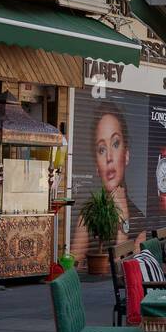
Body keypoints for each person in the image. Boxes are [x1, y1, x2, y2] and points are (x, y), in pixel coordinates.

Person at [71, 101, 144, 260]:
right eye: (102, 149)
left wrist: (123, 222)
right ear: (97, 165)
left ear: (126, 155)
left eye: (116, 144)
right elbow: (73, 267)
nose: (109, 157)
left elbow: (120, 274)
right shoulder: (88, 215)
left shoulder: (140, 224)